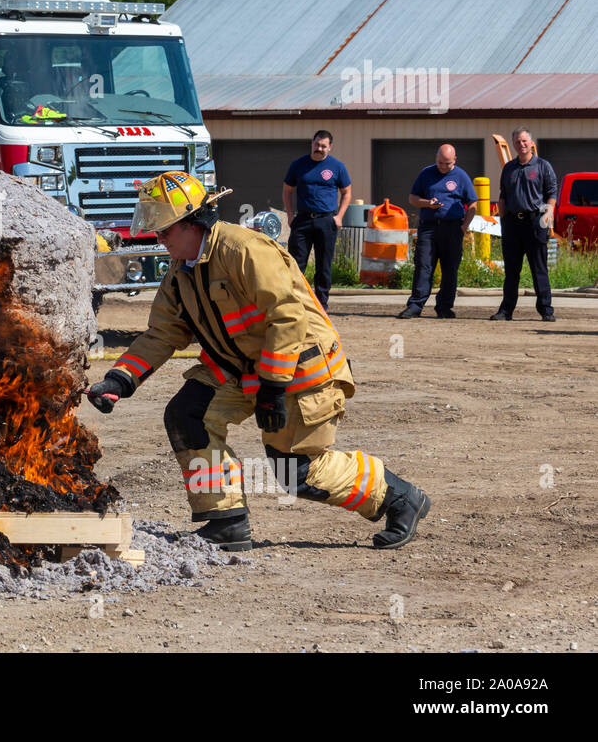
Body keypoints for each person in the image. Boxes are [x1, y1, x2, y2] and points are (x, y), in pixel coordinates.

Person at [85, 171, 431, 552]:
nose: (159, 238)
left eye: (165, 229)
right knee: (188, 415)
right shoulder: (181, 271)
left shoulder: (245, 250)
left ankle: (398, 497)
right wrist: (120, 380)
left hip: (299, 371)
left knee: (296, 472)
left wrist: (272, 389)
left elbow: (287, 316)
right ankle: (226, 522)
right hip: (242, 370)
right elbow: (163, 333)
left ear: (193, 221)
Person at [397, 144, 478, 319]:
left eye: (447, 163)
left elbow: (472, 204)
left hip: (453, 227)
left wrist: (464, 226)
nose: (442, 166)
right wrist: (427, 203)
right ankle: (415, 305)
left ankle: (444, 307)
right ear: (436, 158)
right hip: (429, 227)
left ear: (454, 160)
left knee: (450, 269)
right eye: (440, 162)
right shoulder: (426, 173)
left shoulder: (461, 176)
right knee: (423, 266)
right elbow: (412, 198)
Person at [492, 127, 557, 322]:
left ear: (531, 143)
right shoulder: (509, 168)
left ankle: (546, 310)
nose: (521, 145)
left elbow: (552, 193)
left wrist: (548, 214)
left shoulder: (543, 166)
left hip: (535, 222)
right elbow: (503, 195)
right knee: (511, 270)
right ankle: (506, 311)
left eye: (524, 141)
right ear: (513, 145)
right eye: (518, 142)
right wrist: (503, 221)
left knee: (539, 269)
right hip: (512, 224)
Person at [283, 131, 352, 309]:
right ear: (312, 143)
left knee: (324, 264)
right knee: (296, 264)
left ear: (330, 147)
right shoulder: (298, 165)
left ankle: (321, 303)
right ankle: (295, 300)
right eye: (316, 144)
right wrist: (290, 216)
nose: (319, 149)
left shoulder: (337, 166)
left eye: (323, 146)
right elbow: (287, 190)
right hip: (303, 220)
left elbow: (346, 192)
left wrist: (339, 217)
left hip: (326, 221)